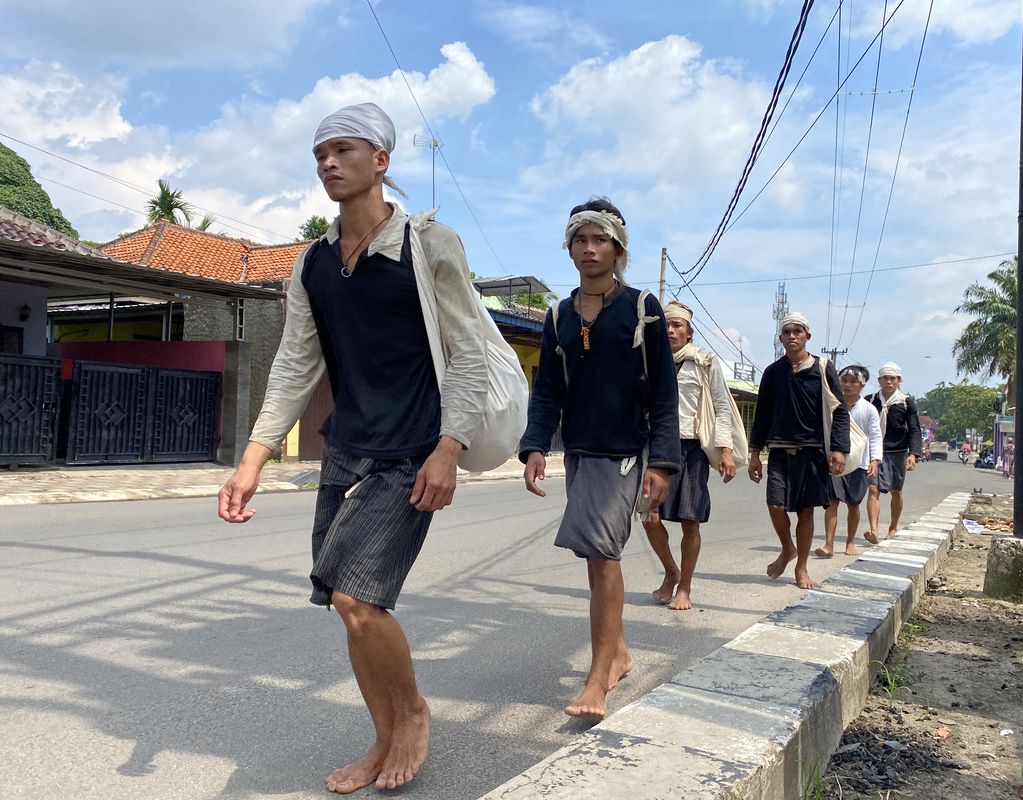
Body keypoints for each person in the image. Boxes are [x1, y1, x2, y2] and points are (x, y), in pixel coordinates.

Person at [216, 102, 488, 794]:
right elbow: (294, 364)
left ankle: (415, 716)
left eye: (343, 149)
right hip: (347, 451)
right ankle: (382, 735)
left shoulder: (429, 246)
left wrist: (449, 447)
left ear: (381, 161)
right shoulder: (310, 264)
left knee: (357, 601)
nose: (329, 163)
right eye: (319, 155)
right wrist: (252, 460)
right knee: (352, 606)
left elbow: (469, 355)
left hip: (412, 452)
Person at [520, 197, 679, 722]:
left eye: (599, 240)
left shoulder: (643, 308)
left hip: (625, 454)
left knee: (604, 557)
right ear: (569, 248)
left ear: (618, 248)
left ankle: (597, 678)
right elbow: (547, 390)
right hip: (581, 452)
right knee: (595, 556)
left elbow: (663, 393)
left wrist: (662, 462)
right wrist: (536, 444)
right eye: (580, 240)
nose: (589, 249)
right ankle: (621, 653)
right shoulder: (559, 314)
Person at [641, 300, 739, 611]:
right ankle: (671, 571)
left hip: (691, 448)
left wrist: (725, 450)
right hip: (655, 447)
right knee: (649, 517)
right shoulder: (647, 360)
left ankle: (685, 587)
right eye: (666, 325)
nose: (670, 330)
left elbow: (722, 408)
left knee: (690, 522)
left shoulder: (705, 362)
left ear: (689, 332)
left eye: (677, 325)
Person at [748, 312, 850, 589]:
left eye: (798, 331)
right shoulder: (772, 373)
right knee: (775, 506)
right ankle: (787, 548)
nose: (792, 336)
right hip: (779, 452)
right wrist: (755, 454)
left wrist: (839, 450)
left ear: (807, 336)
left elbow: (840, 412)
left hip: (811, 453)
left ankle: (801, 568)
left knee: (806, 513)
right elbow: (762, 415)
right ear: (780, 338)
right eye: (787, 332)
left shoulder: (822, 368)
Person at [816, 365, 882, 558]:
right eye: (844, 381)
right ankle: (829, 544)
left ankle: (850, 542)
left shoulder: (869, 410)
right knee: (832, 502)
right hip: (835, 460)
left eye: (853, 382)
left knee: (853, 504)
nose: (847, 385)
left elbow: (875, 436)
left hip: (859, 463)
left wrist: (875, 460)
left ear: (862, 385)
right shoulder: (832, 405)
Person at [864, 362, 921, 543]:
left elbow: (914, 429)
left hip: (897, 451)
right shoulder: (870, 401)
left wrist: (913, 454)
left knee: (896, 491)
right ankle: (874, 530)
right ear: (879, 380)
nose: (889, 382)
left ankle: (893, 527)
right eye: (885, 378)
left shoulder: (905, 402)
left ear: (899, 381)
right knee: (873, 489)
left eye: (893, 378)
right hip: (875, 451)